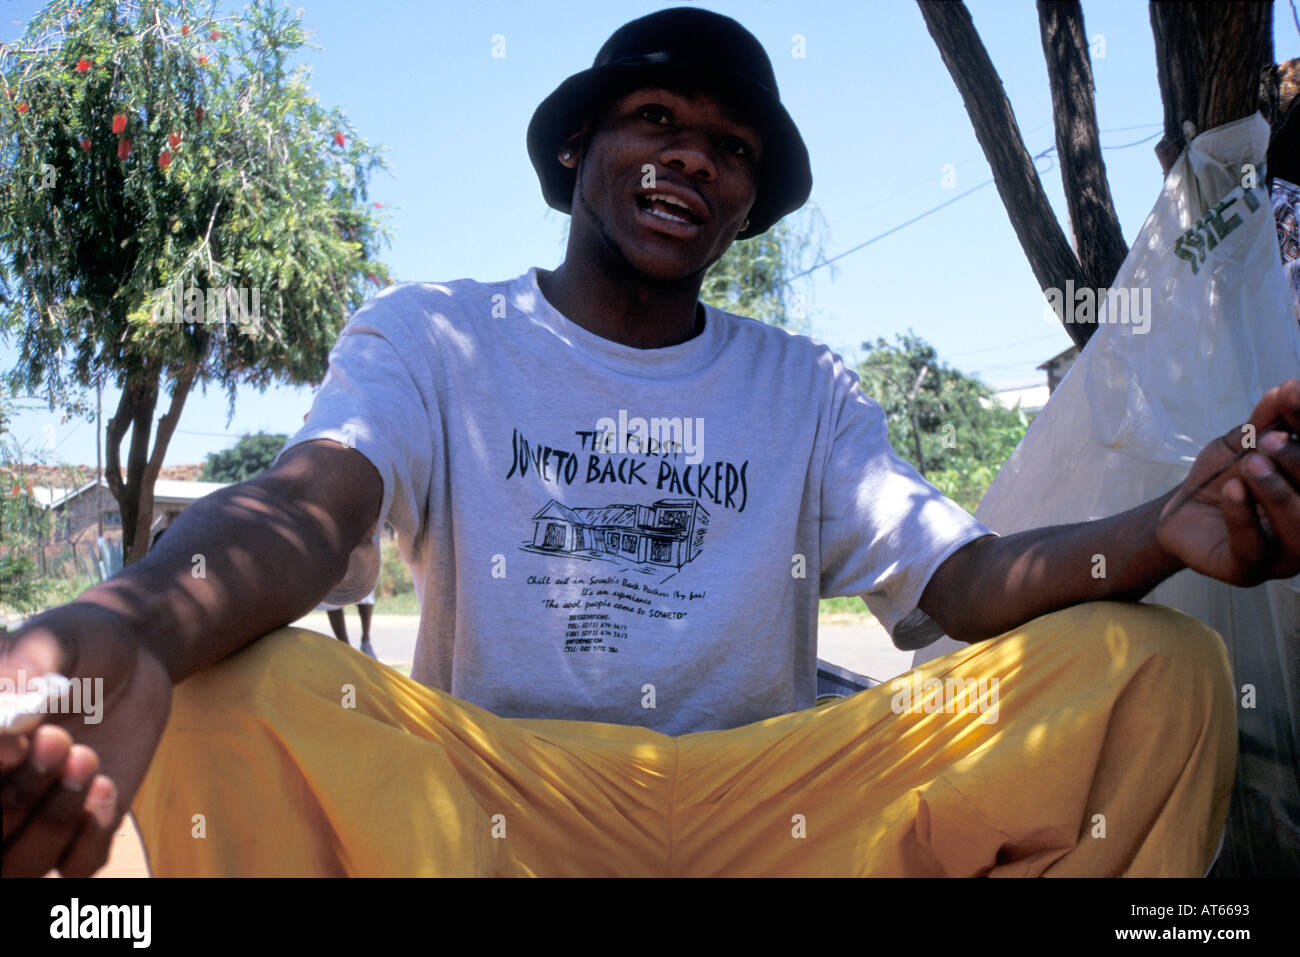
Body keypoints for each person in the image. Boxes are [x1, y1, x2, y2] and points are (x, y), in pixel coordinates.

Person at [2, 7, 1297, 877]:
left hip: (775, 812)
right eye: (657, 123)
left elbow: (956, 582)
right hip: (489, 818)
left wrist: (1157, 529)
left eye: (729, 147)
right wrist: (137, 624)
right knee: (237, 689)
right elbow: (309, 506)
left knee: (1159, 670)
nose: (694, 161)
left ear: (746, 203)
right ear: (577, 151)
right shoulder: (437, 337)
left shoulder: (801, 386)